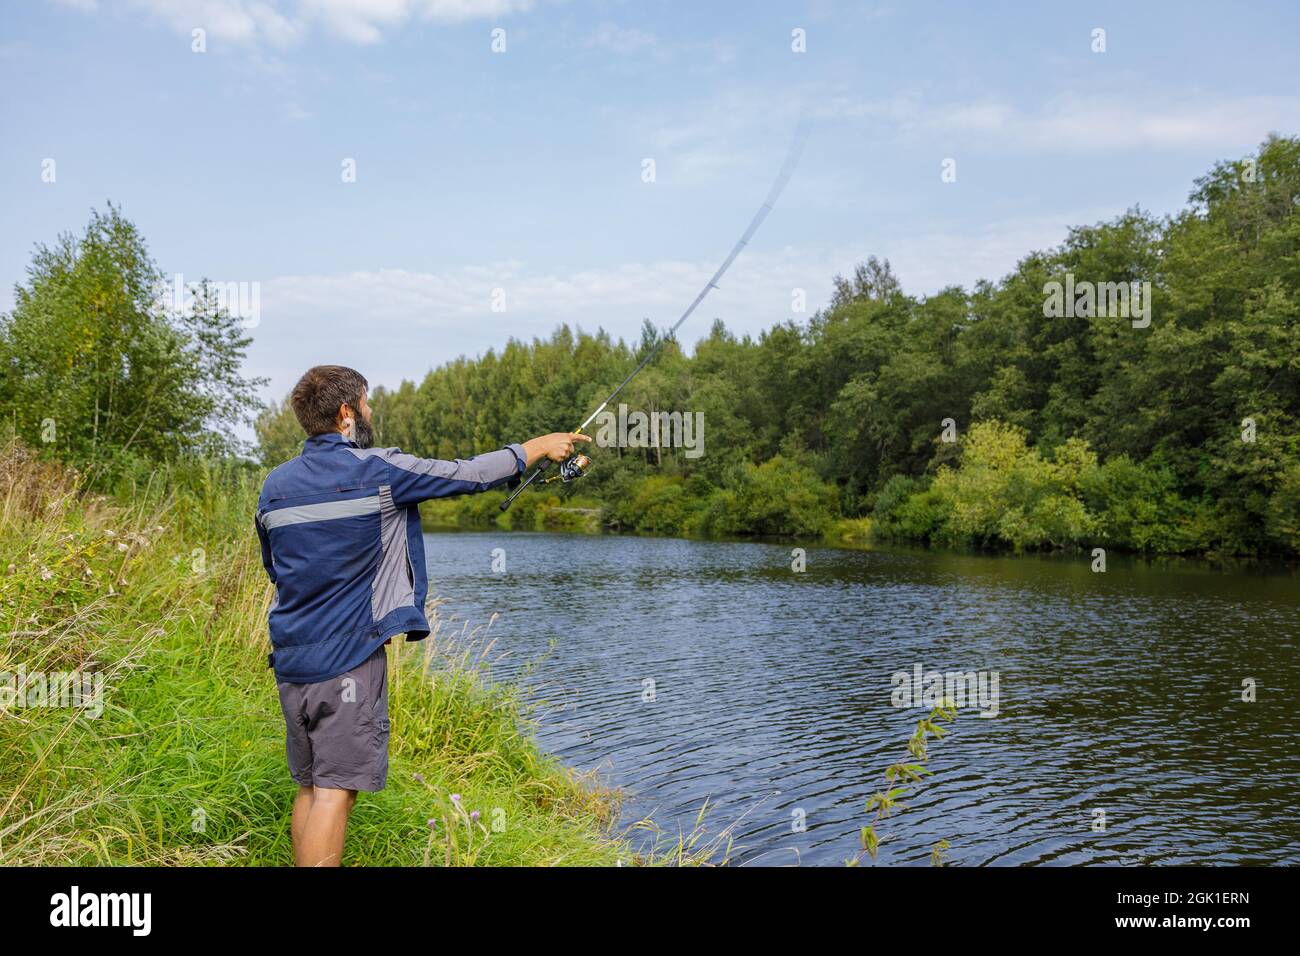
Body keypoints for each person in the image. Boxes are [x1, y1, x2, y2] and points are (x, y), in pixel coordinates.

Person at [255, 364, 587, 866]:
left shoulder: (274, 487)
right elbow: (466, 474)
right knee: (337, 789)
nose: (370, 412)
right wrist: (536, 447)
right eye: (365, 403)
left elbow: (275, 568)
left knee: (310, 784)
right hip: (347, 662)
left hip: (291, 663)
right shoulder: (378, 471)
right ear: (346, 414)